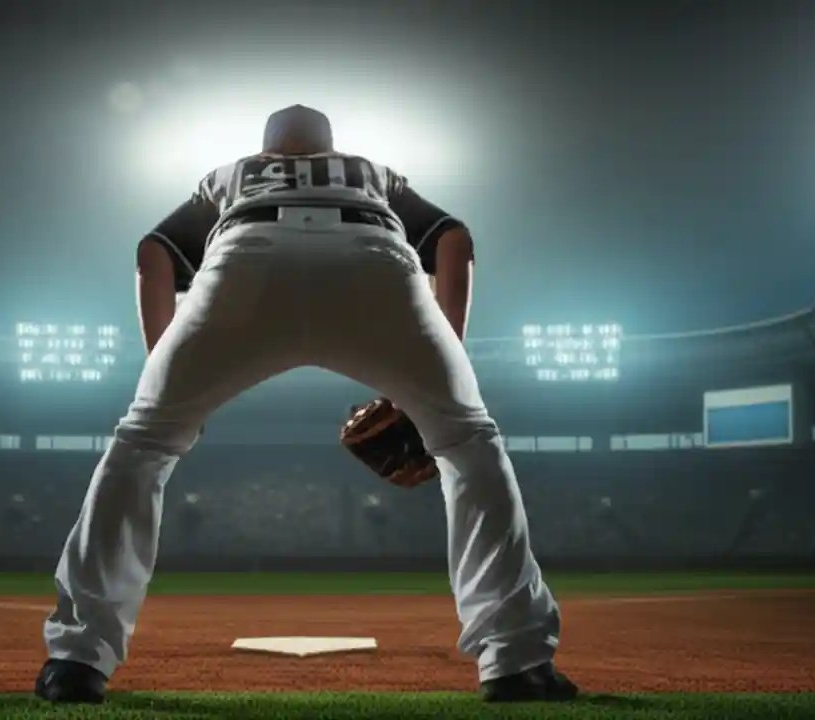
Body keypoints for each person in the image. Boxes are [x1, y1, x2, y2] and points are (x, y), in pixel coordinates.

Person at [35, 105, 577, 704]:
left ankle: (77, 661)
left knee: (141, 446)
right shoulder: (371, 171)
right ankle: (517, 662)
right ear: (330, 145)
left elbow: (152, 253)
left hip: (243, 257)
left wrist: (165, 371)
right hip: (374, 259)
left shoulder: (232, 173)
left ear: (267, 149)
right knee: (469, 445)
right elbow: (455, 241)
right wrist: (441, 365)